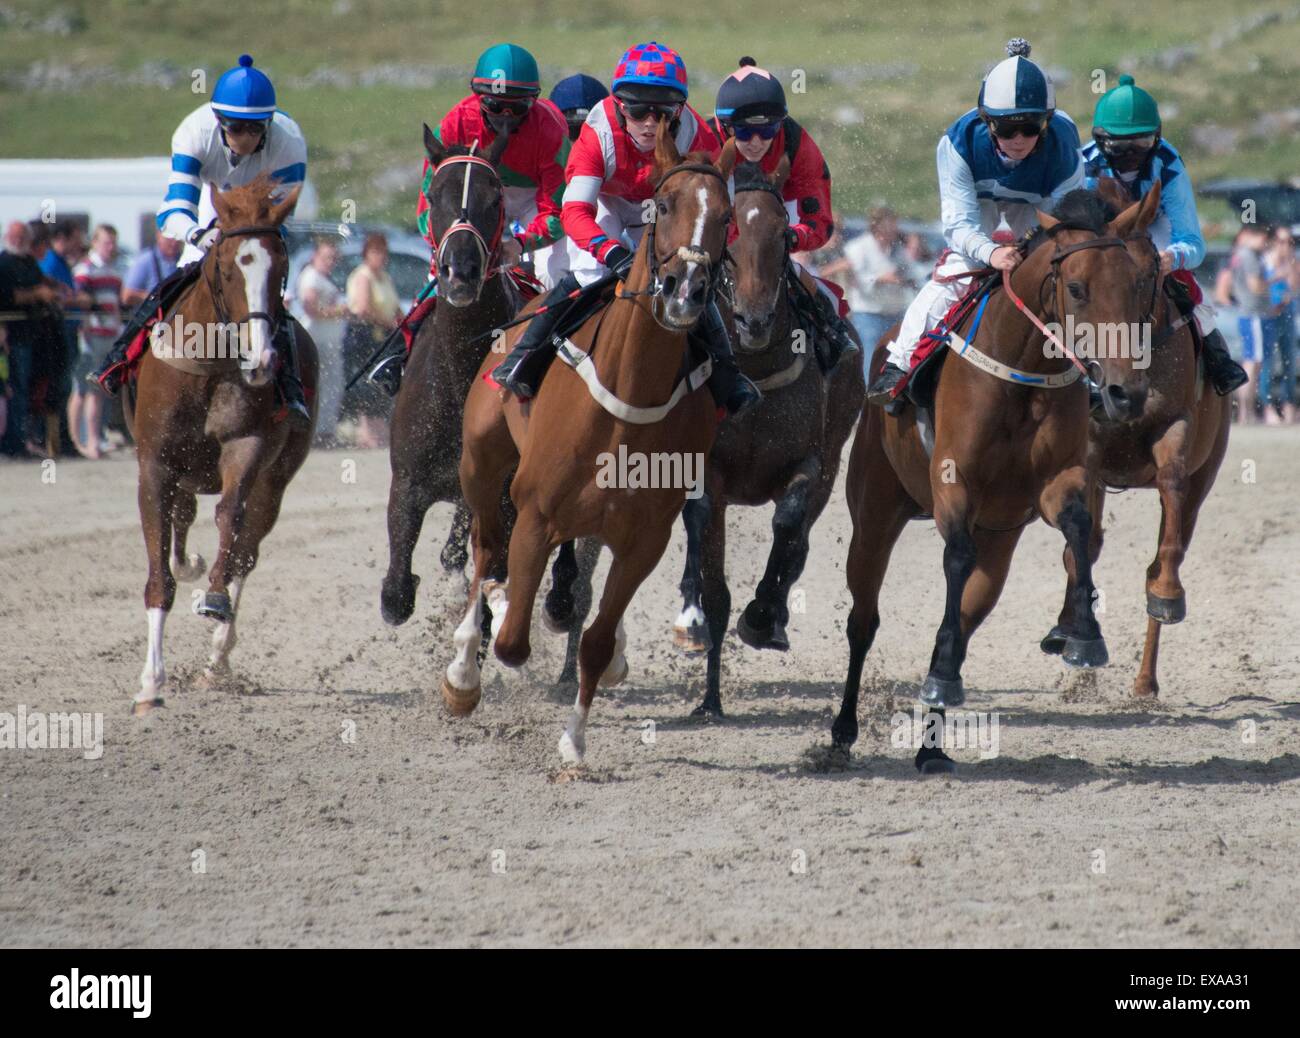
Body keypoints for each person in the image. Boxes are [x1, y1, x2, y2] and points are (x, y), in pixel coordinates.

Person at [491, 41, 760, 416]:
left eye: (663, 111)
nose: (650, 122)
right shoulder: (596, 133)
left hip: (663, 210)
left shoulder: (699, 138)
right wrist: (611, 251)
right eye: (637, 109)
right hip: (607, 203)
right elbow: (574, 211)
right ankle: (523, 358)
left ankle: (728, 377)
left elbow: (720, 213)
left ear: (680, 108)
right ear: (619, 105)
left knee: (692, 277)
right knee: (588, 273)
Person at [91, 54, 310, 427]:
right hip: (206, 223)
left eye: (255, 129)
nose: (245, 138)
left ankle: (290, 387)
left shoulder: (288, 140)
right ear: (219, 121)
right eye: (237, 128)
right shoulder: (193, 133)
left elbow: (279, 215)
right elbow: (174, 208)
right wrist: (197, 234)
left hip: (258, 227)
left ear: (269, 124)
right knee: (169, 289)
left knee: (273, 305)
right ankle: (120, 359)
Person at [867, 38, 1085, 409]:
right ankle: (900, 362)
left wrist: (1030, 246)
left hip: (1037, 203)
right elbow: (959, 226)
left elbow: (1060, 223)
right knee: (957, 269)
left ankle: (1094, 367)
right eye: (1005, 129)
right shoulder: (958, 143)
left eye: (1030, 128)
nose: (1018, 140)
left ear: (1046, 123)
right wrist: (992, 251)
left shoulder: (1065, 144)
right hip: (978, 202)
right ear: (986, 122)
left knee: (1060, 270)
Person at [369, 43, 571, 396]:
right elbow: (428, 204)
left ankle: (558, 359)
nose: (505, 116)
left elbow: (558, 212)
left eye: (518, 107)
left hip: (529, 200)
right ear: (478, 97)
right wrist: (441, 244)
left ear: (534, 101)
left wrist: (520, 244)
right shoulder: (457, 121)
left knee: (555, 270)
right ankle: (397, 354)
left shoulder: (552, 130)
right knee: (438, 271)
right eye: (494, 105)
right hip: (473, 199)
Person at [1082, 74, 1247, 396]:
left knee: (1186, 284)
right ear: (1101, 141)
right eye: (1120, 146)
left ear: (1156, 138)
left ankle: (1216, 355)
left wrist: (1174, 257)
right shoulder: (1083, 165)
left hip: (1153, 226)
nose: (1131, 155)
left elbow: (1192, 240)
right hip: (1104, 232)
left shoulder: (1169, 165)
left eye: (1141, 144)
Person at [711, 56, 858, 373]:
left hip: (777, 210)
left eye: (767, 131)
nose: (755, 142)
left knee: (801, 279)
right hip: (722, 218)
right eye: (743, 132)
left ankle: (830, 331)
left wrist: (789, 238)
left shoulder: (797, 142)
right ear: (724, 127)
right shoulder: (706, 140)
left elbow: (820, 224)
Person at [529, 72, 611, 289]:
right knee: (547, 269)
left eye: (589, 132)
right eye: (573, 131)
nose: (581, 143)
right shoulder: (541, 164)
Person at [0, 223, 62, 458]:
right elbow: (6, 295)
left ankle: (25, 439)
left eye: (22, 236)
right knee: (15, 389)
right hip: (12, 338)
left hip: (32, 337)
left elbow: (39, 280)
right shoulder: (4, 263)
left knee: (30, 389)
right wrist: (37, 294)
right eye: (14, 236)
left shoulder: (27, 262)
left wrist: (51, 287)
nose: (18, 240)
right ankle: (14, 442)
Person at [68, 225, 125, 458]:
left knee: (97, 390)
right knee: (83, 390)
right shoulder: (85, 269)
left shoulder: (113, 271)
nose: (110, 247)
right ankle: (80, 442)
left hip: (109, 335)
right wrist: (92, 306)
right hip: (90, 337)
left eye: (113, 242)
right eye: (106, 242)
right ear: (94, 243)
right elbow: (79, 298)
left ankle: (94, 440)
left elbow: (117, 304)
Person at [830, 204, 919, 355]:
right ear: (878, 226)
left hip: (894, 313)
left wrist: (908, 280)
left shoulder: (897, 249)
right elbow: (855, 278)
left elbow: (911, 272)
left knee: (893, 360)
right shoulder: (858, 247)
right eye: (891, 225)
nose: (895, 229)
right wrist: (879, 279)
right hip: (868, 314)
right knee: (869, 358)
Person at [343, 233, 402, 448]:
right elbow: (364, 308)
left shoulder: (384, 277)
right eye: (376, 252)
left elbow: (395, 307)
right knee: (364, 380)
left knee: (381, 379)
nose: (380, 257)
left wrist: (403, 322)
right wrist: (389, 323)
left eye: (383, 252)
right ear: (366, 254)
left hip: (383, 334)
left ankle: (379, 429)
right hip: (364, 334)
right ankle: (365, 431)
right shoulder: (363, 276)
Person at [293, 237, 349, 445]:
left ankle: (324, 430)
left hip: (327, 342)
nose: (330, 261)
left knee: (330, 386)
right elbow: (311, 309)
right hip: (317, 340)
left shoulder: (323, 278)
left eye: (333, 258)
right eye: (326, 257)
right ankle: (319, 432)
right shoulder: (311, 278)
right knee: (323, 386)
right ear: (314, 256)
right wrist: (338, 311)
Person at [1227, 224, 1277, 424]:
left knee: (1253, 362)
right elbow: (1255, 287)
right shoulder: (1248, 255)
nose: (1266, 245)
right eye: (1267, 240)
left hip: (1252, 313)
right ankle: (1244, 412)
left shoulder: (1242, 254)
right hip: (1252, 314)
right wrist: (1277, 277)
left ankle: (1246, 412)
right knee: (1252, 362)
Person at [121, 232, 182, 308]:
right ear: (158, 236)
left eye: (177, 238)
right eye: (170, 238)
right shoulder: (145, 260)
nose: (174, 243)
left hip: (178, 315)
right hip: (155, 317)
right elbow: (127, 296)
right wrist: (154, 297)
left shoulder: (185, 261)